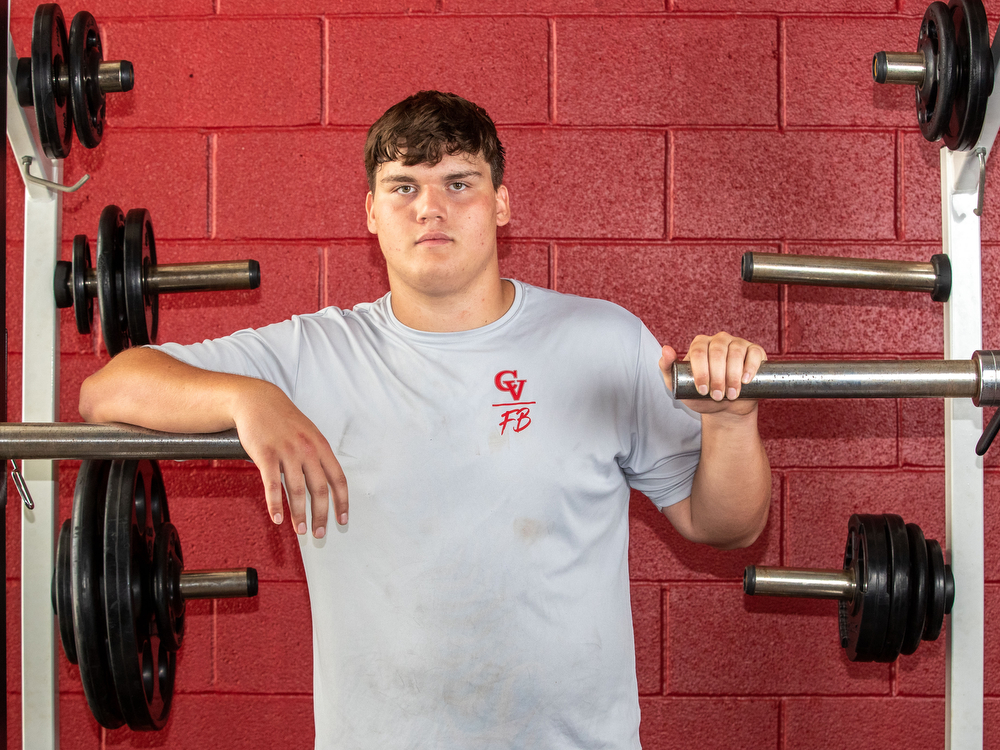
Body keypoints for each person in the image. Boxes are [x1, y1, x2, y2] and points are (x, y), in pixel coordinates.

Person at [79, 90, 771, 749]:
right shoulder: (316, 354)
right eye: (404, 186)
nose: (430, 208)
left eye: (459, 183)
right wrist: (245, 399)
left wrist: (733, 422)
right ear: (371, 213)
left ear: (502, 204)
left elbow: (725, 524)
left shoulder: (602, 341)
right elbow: (110, 388)